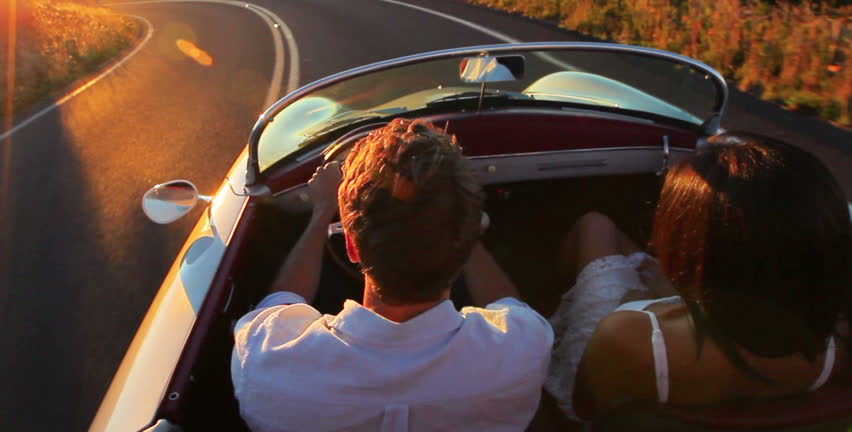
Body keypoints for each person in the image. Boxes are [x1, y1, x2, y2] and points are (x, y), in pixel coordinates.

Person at [231, 119, 554, 432]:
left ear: (352, 247)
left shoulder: (266, 360)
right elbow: (508, 305)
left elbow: (282, 303)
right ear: (465, 247)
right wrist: (458, 227)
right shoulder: (522, 349)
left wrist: (321, 212)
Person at [546, 132, 851, 422]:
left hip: (627, 360)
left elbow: (580, 408)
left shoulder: (629, 334)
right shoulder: (836, 341)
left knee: (595, 224)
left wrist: (650, 299)